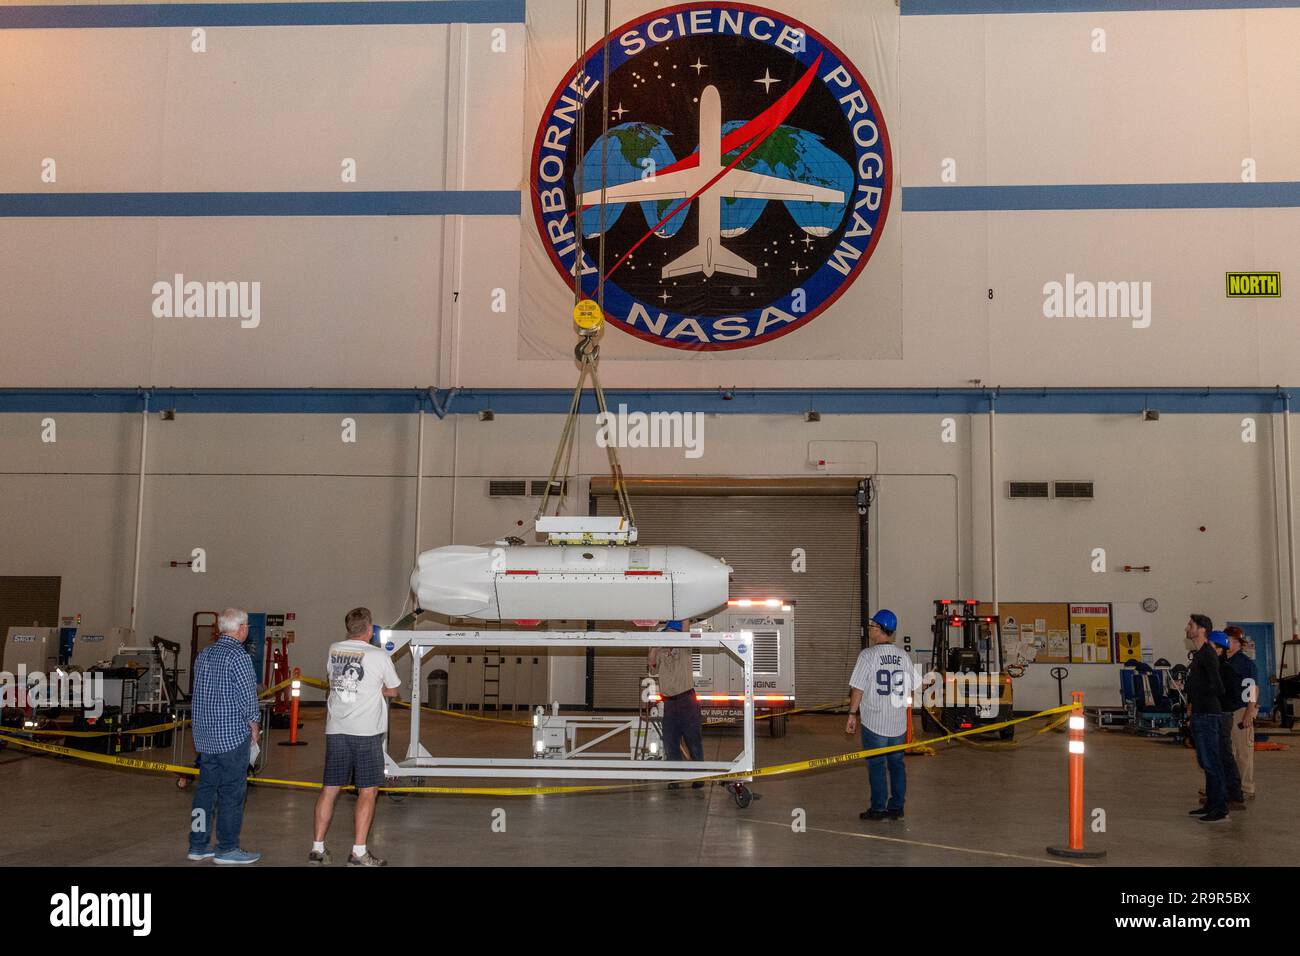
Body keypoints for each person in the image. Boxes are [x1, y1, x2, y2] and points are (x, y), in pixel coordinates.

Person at [310, 607, 401, 866]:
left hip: (336, 730)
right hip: (366, 732)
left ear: (348, 628)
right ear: (370, 630)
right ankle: (359, 852)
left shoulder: (334, 650)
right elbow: (393, 690)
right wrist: (375, 688)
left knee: (329, 789)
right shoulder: (378, 655)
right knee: (368, 791)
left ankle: (317, 849)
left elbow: (336, 680)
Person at [187, 607, 262, 864]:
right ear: (241, 629)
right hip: (230, 736)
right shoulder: (238, 656)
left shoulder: (204, 654)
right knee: (232, 792)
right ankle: (227, 848)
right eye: (247, 627)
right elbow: (247, 696)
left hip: (205, 735)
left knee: (206, 789)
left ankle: (198, 845)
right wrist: (254, 724)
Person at [846, 609, 911, 821]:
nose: (870, 630)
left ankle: (878, 808)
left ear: (881, 629)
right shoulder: (903, 656)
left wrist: (852, 714)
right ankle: (897, 807)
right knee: (897, 765)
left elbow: (858, 688)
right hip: (898, 723)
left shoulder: (868, 656)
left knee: (876, 765)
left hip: (875, 722)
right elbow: (914, 684)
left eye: (873, 626)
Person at [648, 620, 704, 789]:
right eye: (667, 632)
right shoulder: (661, 651)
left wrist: (684, 614)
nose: (669, 635)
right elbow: (652, 667)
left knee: (693, 740)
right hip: (669, 703)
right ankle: (675, 778)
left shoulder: (685, 648)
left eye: (673, 632)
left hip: (687, 700)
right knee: (670, 742)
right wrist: (655, 647)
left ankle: (699, 776)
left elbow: (685, 628)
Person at [1184, 614, 1228, 822]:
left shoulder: (1208, 654)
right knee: (1205, 762)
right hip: (1201, 713)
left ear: (1202, 629)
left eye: (1190, 625)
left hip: (1209, 714)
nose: (1187, 628)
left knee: (1212, 762)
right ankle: (1211, 804)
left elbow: (1217, 686)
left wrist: (1200, 698)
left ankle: (1220, 808)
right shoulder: (1199, 654)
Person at [1210, 630, 1246, 809]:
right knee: (1220, 755)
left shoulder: (1234, 666)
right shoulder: (1222, 665)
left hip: (1230, 713)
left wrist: (1250, 712)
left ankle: (1237, 793)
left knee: (1233, 754)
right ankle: (1222, 792)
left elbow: (1250, 688)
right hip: (1220, 713)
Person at [1224, 626, 1257, 799]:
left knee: (1243, 752)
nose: (1226, 643)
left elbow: (1252, 688)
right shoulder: (1223, 661)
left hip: (1241, 709)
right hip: (1226, 711)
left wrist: (1249, 713)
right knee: (1228, 752)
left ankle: (1246, 788)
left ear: (1237, 643)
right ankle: (1229, 786)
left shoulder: (1245, 663)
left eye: (1229, 640)